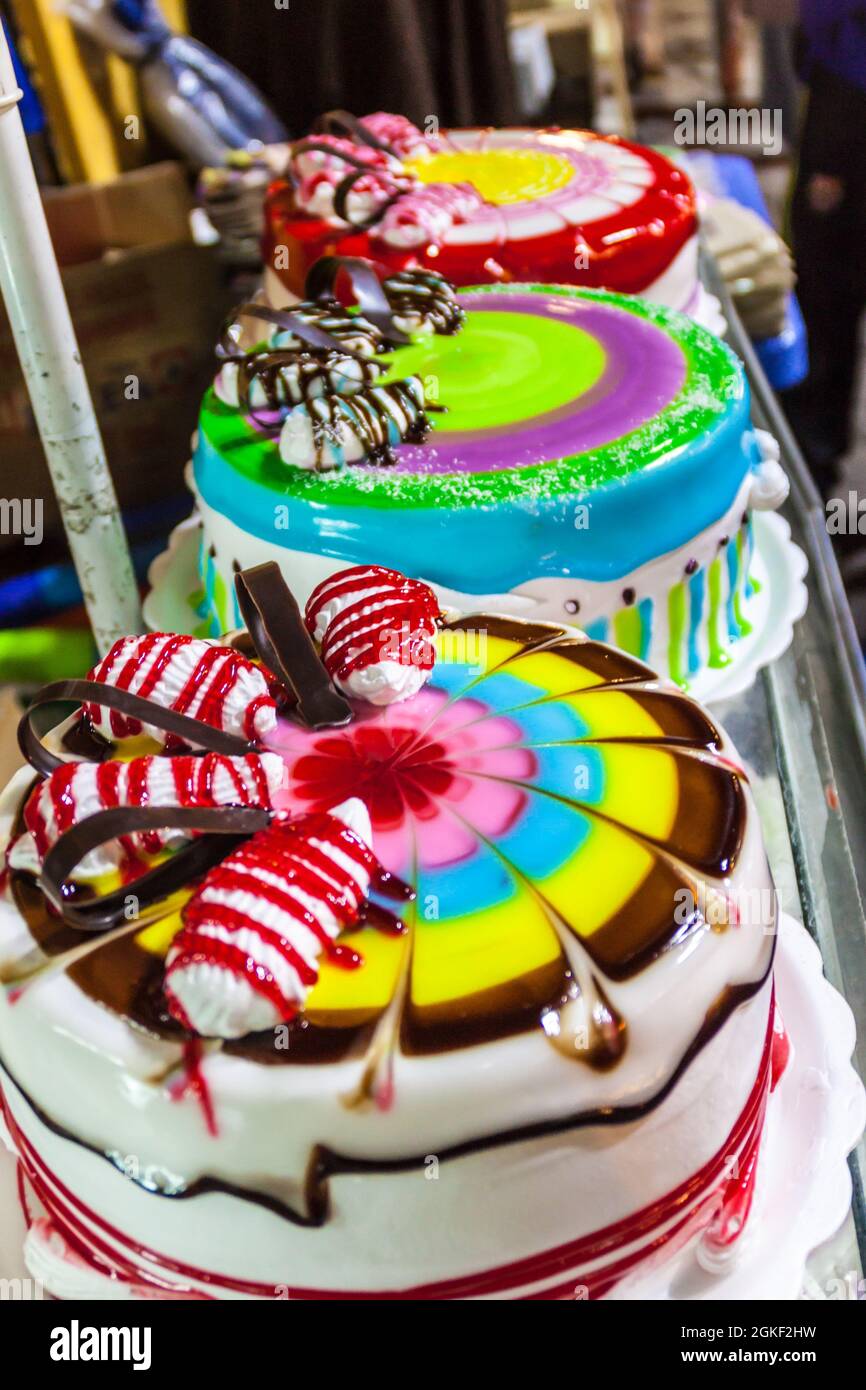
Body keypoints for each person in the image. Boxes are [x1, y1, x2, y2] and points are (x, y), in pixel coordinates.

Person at [785, 2, 866, 495]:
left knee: (828, 297)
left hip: (848, 118)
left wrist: (831, 163)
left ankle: (815, 461)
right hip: (843, 103)